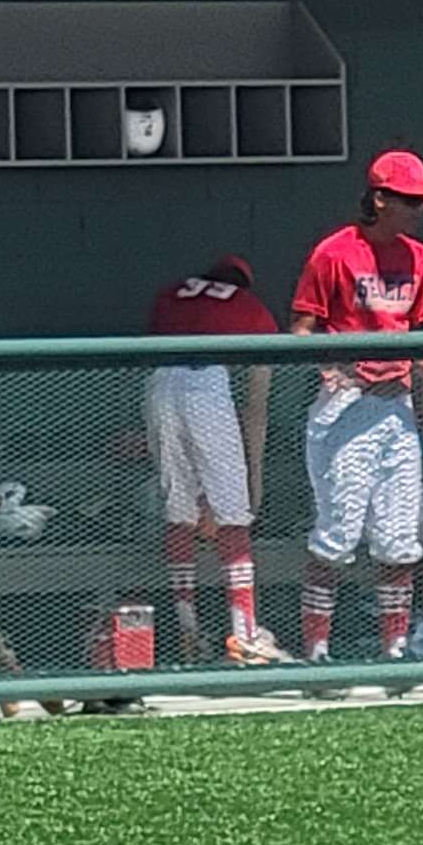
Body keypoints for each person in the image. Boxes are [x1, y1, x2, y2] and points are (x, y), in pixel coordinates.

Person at [289, 151, 423, 667]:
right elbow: (301, 329)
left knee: (400, 537)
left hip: (396, 407)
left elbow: (414, 332)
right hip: (346, 406)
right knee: (337, 535)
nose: (418, 209)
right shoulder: (334, 252)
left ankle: (395, 649)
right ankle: (317, 651)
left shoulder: (418, 256)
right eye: (409, 199)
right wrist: (333, 371)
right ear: (379, 198)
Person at [142, 256, 279, 664]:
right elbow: (256, 405)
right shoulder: (252, 309)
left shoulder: (170, 296)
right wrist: (255, 477)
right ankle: (244, 633)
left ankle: (189, 630)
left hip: (159, 385)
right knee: (235, 515)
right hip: (208, 384)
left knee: (179, 512)